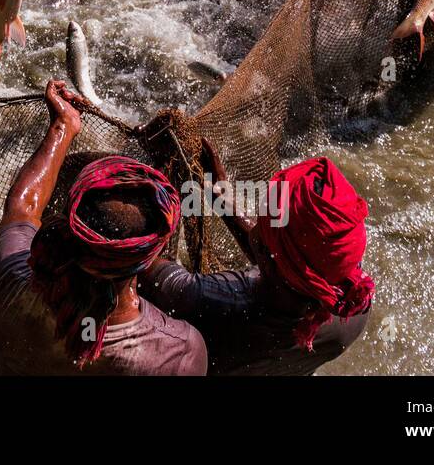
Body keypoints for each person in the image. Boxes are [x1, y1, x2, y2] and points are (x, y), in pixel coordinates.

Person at [0, 80, 207, 375]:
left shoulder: (12, 279)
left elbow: (22, 207)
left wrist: (62, 126)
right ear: (149, 256)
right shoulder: (179, 350)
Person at [142, 150, 374, 375]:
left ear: (266, 253)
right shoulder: (353, 308)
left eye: (264, 219)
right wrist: (225, 200)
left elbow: (143, 265)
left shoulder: (211, 302)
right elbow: (289, 266)